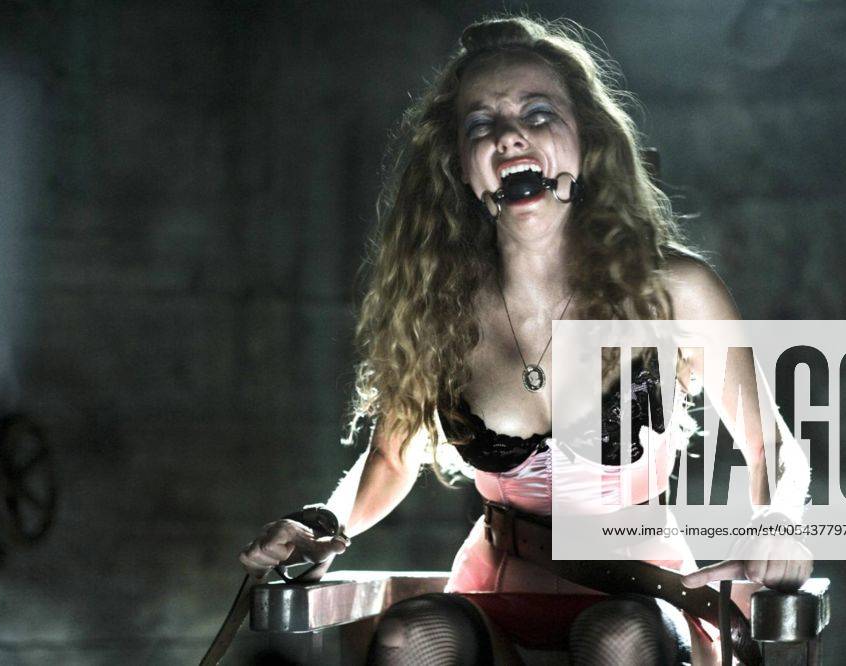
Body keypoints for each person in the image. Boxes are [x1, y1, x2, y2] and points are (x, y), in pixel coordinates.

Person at [239, 16, 812, 665]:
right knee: (412, 635)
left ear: (585, 140)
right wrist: (321, 525)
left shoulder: (674, 291)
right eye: (481, 124)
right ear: (461, 165)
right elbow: (392, 460)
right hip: (497, 593)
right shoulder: (437, 306)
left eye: (538, 114)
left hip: (639, 596)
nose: (509, 135)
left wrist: (777, 522)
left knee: (617, 636)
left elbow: (770, 446)